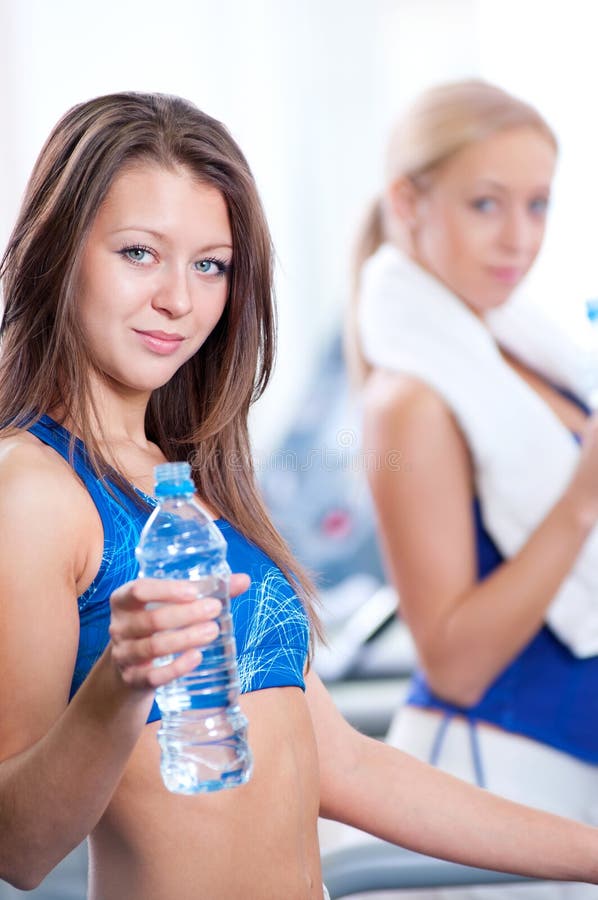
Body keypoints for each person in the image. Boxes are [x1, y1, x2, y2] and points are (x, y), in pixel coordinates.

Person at [1, 92, 598, 900]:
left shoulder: (191, 492)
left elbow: (346, 764)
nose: (180, 299)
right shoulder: (35, 492)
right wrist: (122, 682)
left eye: (210, 264)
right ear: (58, 250)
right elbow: (21, 847)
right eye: (140, 253)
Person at [349, 79, 598, 899]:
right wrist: (582, 498)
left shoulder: (528, 356)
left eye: (538, 205)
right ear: (408, 203)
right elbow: (453, 663)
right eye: (486, 205)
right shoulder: (409, 403)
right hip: (499, 778)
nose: (519, 239)